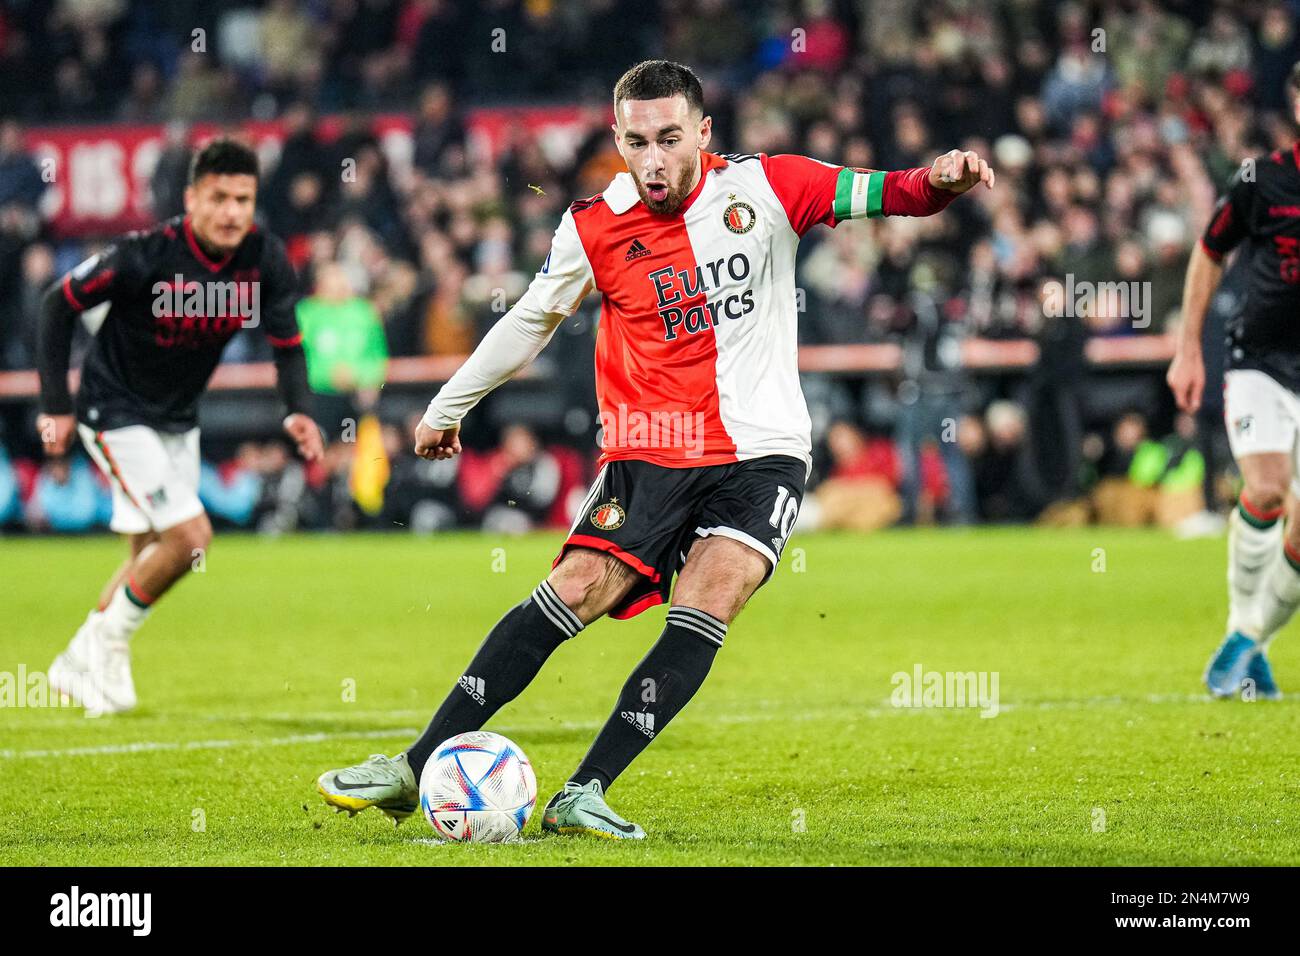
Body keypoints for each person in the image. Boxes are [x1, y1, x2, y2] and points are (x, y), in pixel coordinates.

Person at [317, 60, 993, 838]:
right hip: (652, 450)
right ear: (617, 139)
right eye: (636, 142)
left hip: (763, 449)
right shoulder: (593, 226)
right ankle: (412, 768)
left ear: (704, 134)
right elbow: (531, 319)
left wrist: (942, 178)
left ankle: (585, 791)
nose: (653, 160)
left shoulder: (771, 186)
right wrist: (448, 405)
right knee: (573, 589)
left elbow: (889, 192)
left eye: (670, 138)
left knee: (712, 596)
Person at [36, 138, 323, 717]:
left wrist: (297, 409)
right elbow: (55, 304)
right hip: (112, 409)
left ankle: (91, 666)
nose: (231, 212)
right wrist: (56, 406)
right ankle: (94, 646)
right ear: (192, 198)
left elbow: (288, 344)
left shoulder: (263, 257)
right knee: (191, 539)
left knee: (149, 552)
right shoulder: (145, 253)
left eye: (243, 198)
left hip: (177, 419)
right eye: (219, 197)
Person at [1167, 63, 1300, 701]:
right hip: (1260, 362)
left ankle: (1246, 640)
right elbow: (1210, 250)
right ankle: (1245, 644)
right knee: (1268, 489)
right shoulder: (1260, 179)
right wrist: (1188, 347)